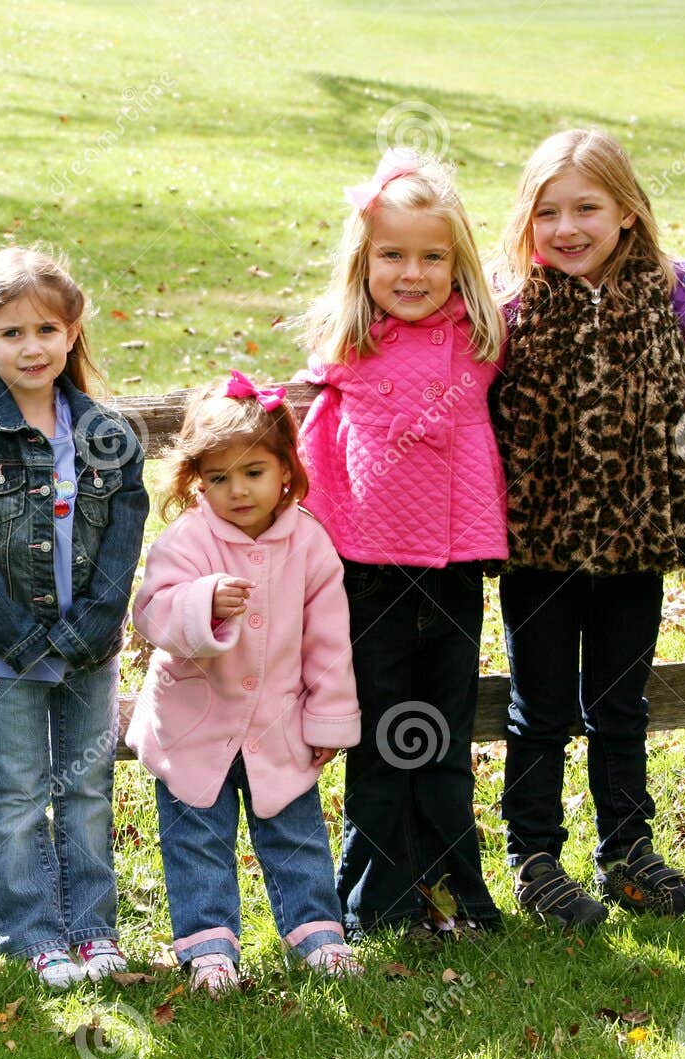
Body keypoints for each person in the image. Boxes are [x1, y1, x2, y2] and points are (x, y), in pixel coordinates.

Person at [490, 128, 685, 926]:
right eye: (548, 212)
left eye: (587, 208)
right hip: (540, 547)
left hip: (637, 543)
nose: (566, 228)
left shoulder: (673, 291)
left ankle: (626, 853)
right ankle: (533, 857)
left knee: (621, 702)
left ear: (628, 216)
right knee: (537, 707)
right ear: (527, 220)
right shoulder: (508, 307)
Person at [0, 246, 145, 988]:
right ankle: (33, 933)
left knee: (85, 787)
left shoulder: (108, 434)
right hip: (2, 652)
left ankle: (93, 928)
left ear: (73, 331)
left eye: (46, 328)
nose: (32, 346)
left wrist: (92, 628)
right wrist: (16, 635)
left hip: (88, 651)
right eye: (11, 333)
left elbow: (122, 541)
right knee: (16, 792)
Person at [297, 149, 508, 939]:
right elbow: (310, 449)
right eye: (393, 254)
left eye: (432, 255)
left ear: (458, 263)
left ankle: (457, 888)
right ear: (364, 259)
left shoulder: (483, 339)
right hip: (369, 571)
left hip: (454, 568)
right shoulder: (344, 343)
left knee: (443, 728)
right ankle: (376, 897)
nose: (412, 272)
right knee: (382, 728)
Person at [127, 373, 363, 993]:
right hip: (194, 725)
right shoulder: (188, 540)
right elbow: (152, 613)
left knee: (295, 832)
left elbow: (329, 640)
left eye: (253, 472)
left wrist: (327, 718)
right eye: (219, 477)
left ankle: (317, 933)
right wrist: (202, 602)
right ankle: (208, 947)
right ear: (196, 480)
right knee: (197, 838)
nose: (237, 491)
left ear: (285, 470)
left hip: (277, 723)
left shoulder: (307, 542)